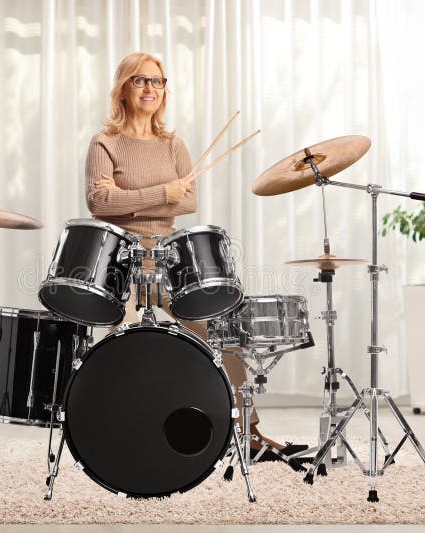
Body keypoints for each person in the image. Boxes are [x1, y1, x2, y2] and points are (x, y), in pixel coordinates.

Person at [85, 52, 305, 461]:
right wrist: (159, 195)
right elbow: (98, 201)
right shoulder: (104, 143)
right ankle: (121, 429)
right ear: (123, 88)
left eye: (158, 81)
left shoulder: (174, 145)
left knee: (223, 329)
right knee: (122, 342)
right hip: (124, 265)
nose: (151, 89)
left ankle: (248, 430)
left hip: (168, 261)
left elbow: (187, 203)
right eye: (141, 81)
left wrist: (135, 200)